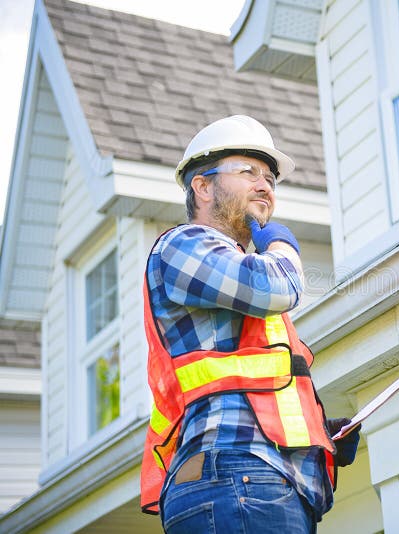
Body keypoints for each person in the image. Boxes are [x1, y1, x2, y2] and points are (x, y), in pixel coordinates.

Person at [139, 115, 360, 533]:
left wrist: (319, 437)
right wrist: (280, 242)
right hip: (236, 473)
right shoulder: (183, 244)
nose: (265, 186)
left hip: (256, 479)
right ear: (202, 186)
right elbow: (278, 285)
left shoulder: (232, 273)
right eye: (248, 172)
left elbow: (255, 387)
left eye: (270, 179)